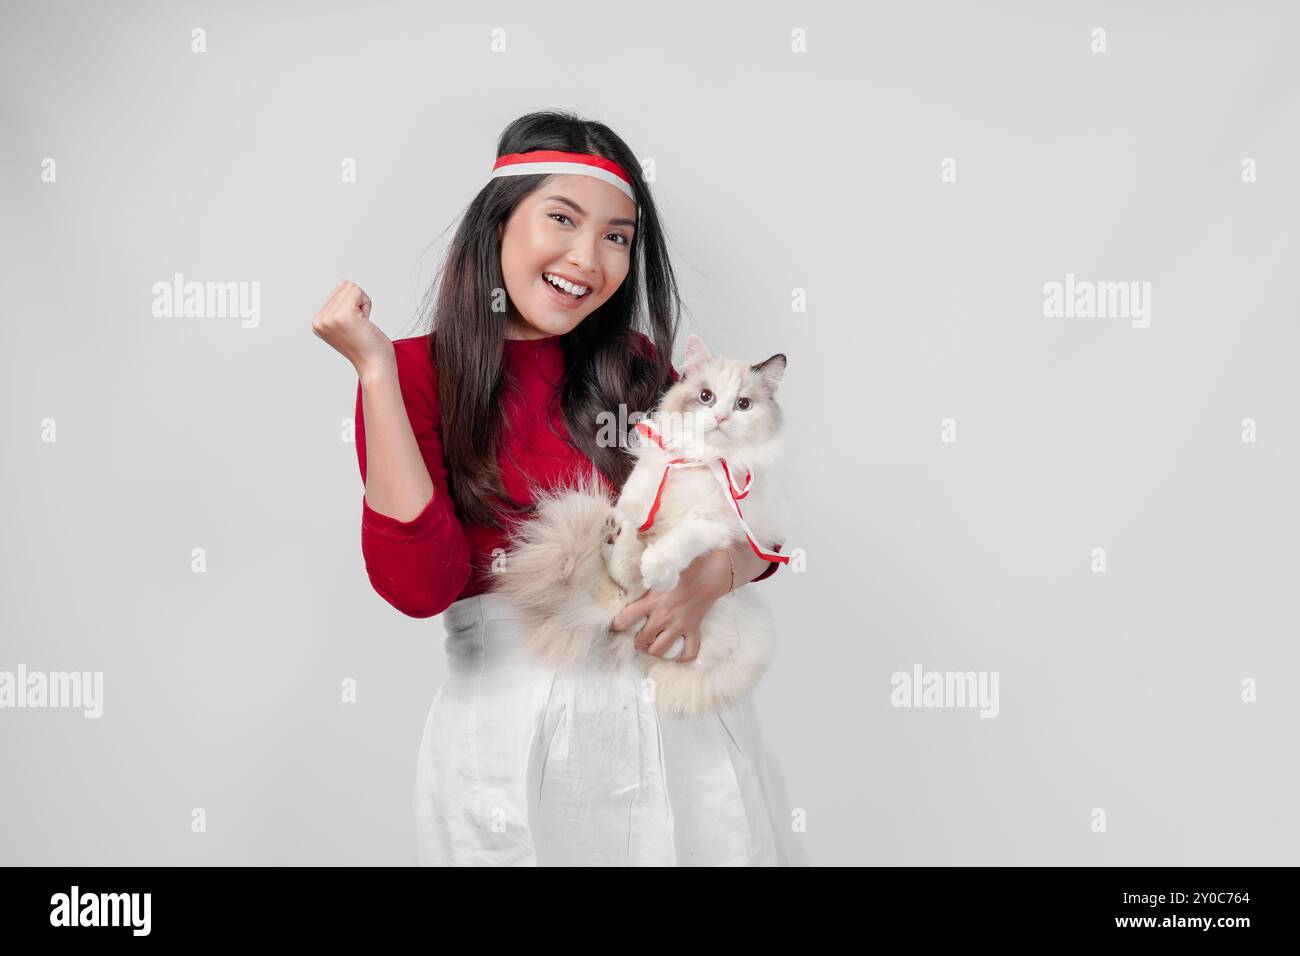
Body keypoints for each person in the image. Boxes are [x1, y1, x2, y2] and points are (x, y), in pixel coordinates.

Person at [312, 109, 806, 866]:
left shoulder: (635, 367)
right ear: (499, 223)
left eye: (617, 235)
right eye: (563, 219)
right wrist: (374, 371)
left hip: (677, 731)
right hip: (515, 744)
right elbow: (420, 586)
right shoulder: (413, 373)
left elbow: (752, 530)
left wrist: (711, 576)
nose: (589, 257)